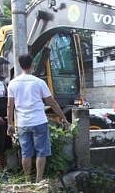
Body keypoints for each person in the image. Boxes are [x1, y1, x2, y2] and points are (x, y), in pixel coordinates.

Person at [6, 54, 69, 183]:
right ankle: (39, 180)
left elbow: (10, 106)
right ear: (32, 65)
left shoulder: (12, 84)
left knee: (26, 153)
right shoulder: (39, 82)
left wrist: (10, 124)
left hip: (22, 123)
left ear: (19, 65)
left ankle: (28, 180)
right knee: (41, 152)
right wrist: (63, 118)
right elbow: (52, 102)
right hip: (39, 121)